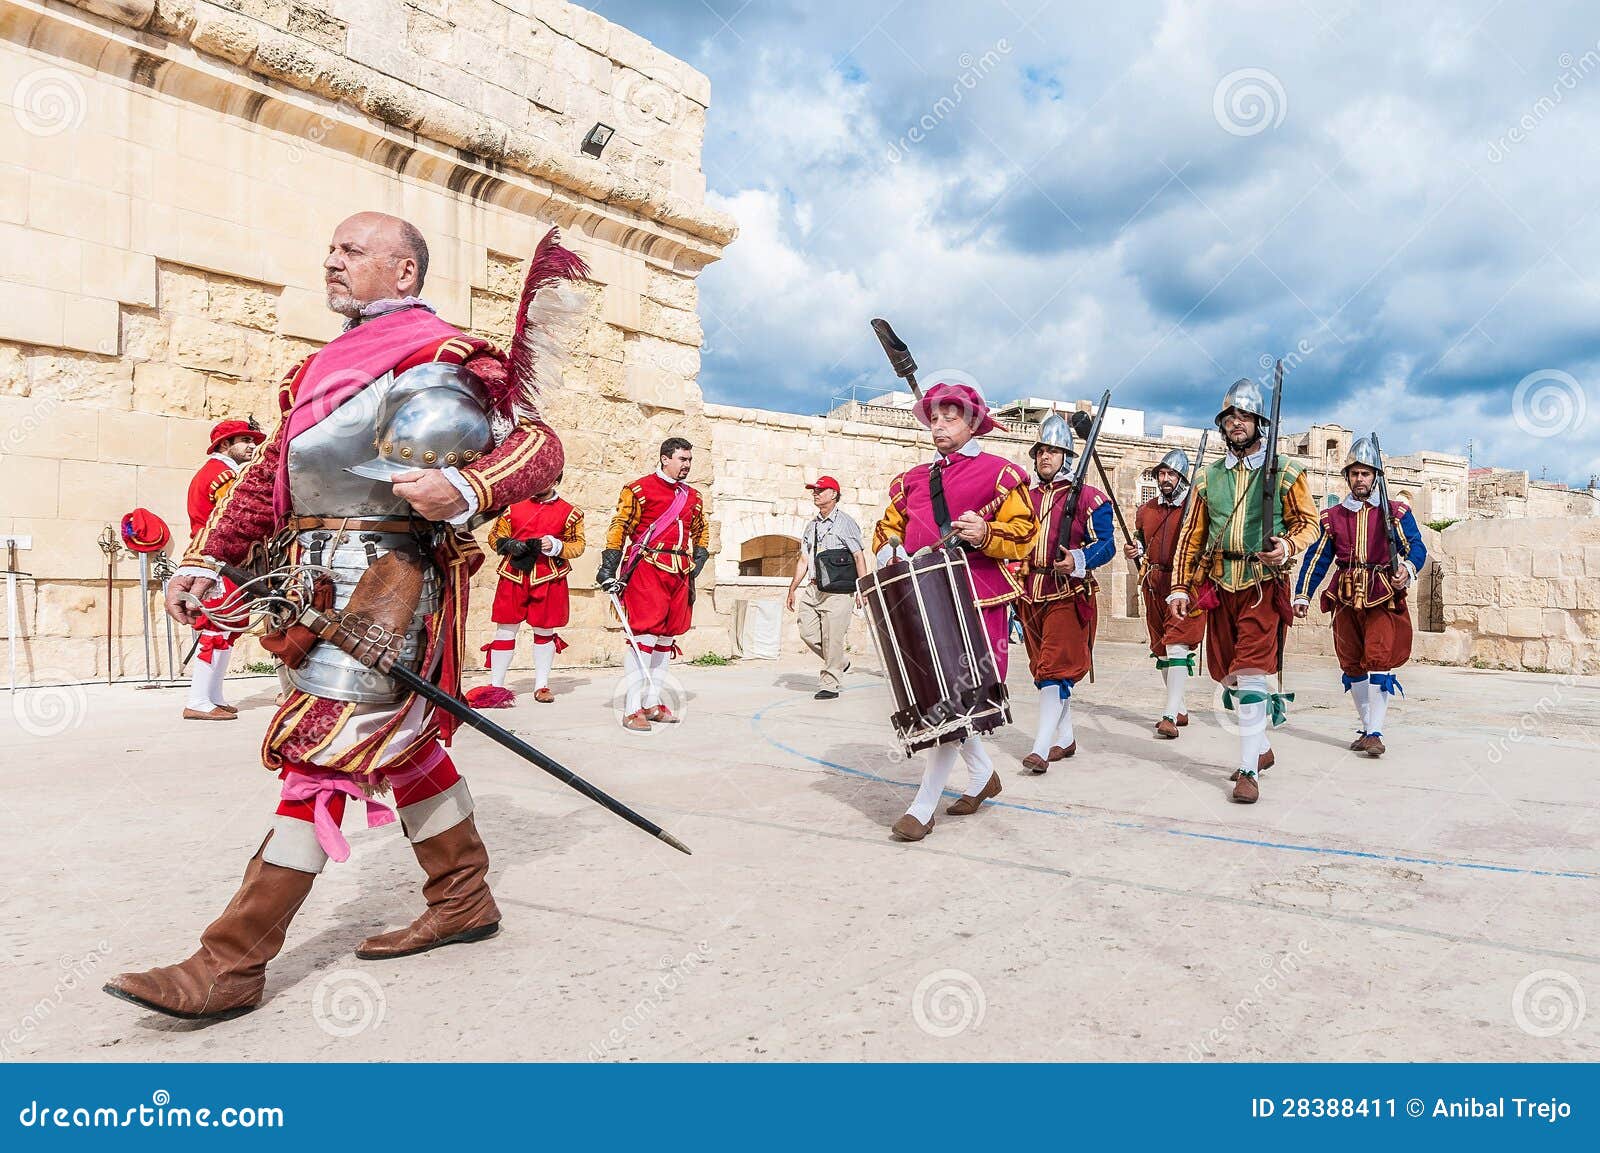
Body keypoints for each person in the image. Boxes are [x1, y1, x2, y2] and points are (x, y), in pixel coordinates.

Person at [102, 214, 584, 1021]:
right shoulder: (317, 372)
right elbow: (267, 479)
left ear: (404, 273)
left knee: (318, 751)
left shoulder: (439, 358)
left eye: (352, 251)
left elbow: (539, 445)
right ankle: (462, 896)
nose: (332, 260)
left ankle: (230, 963)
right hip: (317, 584)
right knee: (405, 752)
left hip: (394, 589)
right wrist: (204, 557)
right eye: (330, 249)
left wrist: (469, 489)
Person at [872, 380, 1037, 841]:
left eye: (951, 418)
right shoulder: (912, 481)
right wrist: (890, 550)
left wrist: (986, 532)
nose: (940, 426)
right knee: (935, 696)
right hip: (924, 602)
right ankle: (984, 776)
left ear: (973, 423)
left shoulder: (1001, 474)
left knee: (953, 700)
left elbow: (1026, 533)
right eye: (935, 419)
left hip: (977, 600)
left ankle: (924, 806)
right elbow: (887, 529)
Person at [1167, 378, 1318, 804]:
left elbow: (1309, 523)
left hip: (1261, 586)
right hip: (1219, 585)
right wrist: (1179, 586)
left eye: (1246, 416)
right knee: (1228, 675)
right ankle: (1263, 747)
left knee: (1252, 672)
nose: (1238, 422)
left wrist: (1286, 546)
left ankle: (1248, 769)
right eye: (1231, 416)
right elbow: (1191, 538)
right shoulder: (1206, 478)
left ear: (1259, 424)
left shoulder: (1286, 471)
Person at [1293, 435, 1427, 757]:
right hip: (1345, 594)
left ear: (1376, 477)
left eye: (1366, 473)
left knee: (1378, 657)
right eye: (1354, 473)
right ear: (1347, 477)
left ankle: (1376, 732)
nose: (1360, 479)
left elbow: (1417, 547)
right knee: (1351, 662)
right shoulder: (1332, 516)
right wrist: (1302, 594)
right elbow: (1317, 558)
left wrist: (1406, 569)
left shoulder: (1395, 512)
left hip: (1382, 593)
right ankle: (1367, 728)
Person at [1016, 413, 1114, 772]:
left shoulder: (1089, 497)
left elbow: (1107, 545)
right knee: (1042, 671)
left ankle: (1041, 748)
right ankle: (1065, 738)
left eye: (1053, 451)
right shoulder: (1023, 497)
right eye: (1041, 450)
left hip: (1067, 592)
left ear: (1067, 456)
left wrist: (1077, 558)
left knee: (1054, 669)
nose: (1045, 457)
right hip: (1028, 592)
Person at [597, 437, 710, 731]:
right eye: (682, 459)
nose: (687, 465)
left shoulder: (694, 496)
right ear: (664, 458)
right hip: (648, 568)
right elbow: (619, 526)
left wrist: (699, 558)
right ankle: (632, 708)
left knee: (666, 639)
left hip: (680, 572)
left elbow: (701, 532)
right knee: (643, 638)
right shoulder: (638, 489)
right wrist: (609, 565)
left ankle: (653, 701)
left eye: (689, 460)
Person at [468, 473, 585, 708]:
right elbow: (494, 537)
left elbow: (578, 546)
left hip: (549, 577)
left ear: (555, 481)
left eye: (545, 480)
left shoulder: (571, 513)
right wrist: (508, 544)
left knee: (544, 631)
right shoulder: (511, 507)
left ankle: (541, 685)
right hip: (513, 574)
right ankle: (497, 686)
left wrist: (556, 545)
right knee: (505, 631)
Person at [180, 418, 265, 720]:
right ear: (225, 445)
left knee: (226, 628)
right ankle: (199, 700)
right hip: (218, 559)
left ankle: (212, 696)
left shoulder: (218, 471)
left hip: (219, 558)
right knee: (216, 627)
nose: (253, 446)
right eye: (245, 440)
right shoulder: (223, 474)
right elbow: (236, 518)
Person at [1125, 447, 1207, 738]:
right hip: (1153, 582)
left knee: (1176, 645)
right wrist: (1134, 550)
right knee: (1161, 648)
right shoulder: (1146, 512)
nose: (1165, 478)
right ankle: (1180, 707)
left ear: (1183, 478)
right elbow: (1142, 543)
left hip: (1185, 583)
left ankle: (1169, 714)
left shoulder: (1197, 509)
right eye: (1161, 473)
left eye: (1171, 473)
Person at [786, 475, 867, 700]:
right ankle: (840, 661)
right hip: (814, 589)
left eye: (820, 490)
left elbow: (858, 556)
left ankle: (830, 684)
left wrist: (863, 588)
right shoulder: (811, 526)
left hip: (839, 592)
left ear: (833, 494)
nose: (815, 493)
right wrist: (793, 588)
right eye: (814, 490)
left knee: (833, 638)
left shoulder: (846, 523)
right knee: (807, 631)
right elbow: (804, 559)